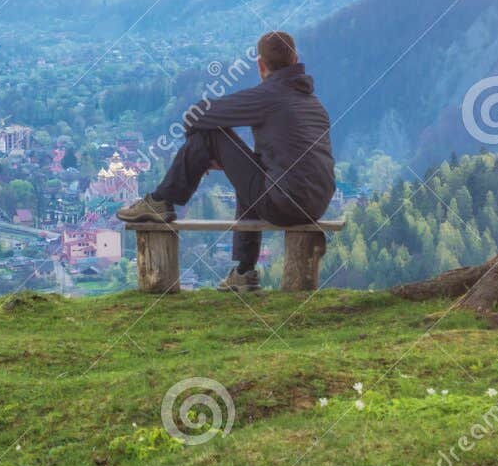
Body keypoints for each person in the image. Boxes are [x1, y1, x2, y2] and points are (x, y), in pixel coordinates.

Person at [117, 31, 335, 292]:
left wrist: (205, 151)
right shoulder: (312, 102)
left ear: (260, 65)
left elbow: (196, 115)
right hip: (317, 202)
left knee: (210, 134)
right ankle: (243, 272)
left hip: (284, 203)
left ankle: (162, 201)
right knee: (257, 173)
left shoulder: (268, 96)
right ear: (296, 59)